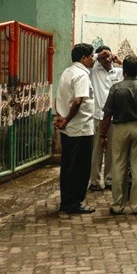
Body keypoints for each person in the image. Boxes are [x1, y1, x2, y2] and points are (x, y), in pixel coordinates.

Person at [98, 54, 137, 216]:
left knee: (118, 165)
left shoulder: (116, 88)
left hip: (119, 129)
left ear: (123, 71)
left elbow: (107, 115)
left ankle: (118, 204)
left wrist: (103, 135)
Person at [52, 43, 98, 214]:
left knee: (68, 165)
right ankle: (74, 202)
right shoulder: (81, 75)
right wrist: (67, 119)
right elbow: (78, 100)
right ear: (84, 58)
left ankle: (67, 201)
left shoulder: (67, 72)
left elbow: (61, 97)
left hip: (70, 127)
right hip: (80, 127)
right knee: (80, 166)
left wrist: (60, 117)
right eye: (91, 56)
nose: (93, 59)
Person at [89, 45, 122, 192]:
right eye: (103, 57)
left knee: (111, 150)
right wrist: (98, 55)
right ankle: (94, 181)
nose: (106, 59)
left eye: (108, 56)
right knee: (96, 151)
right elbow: (90, 60)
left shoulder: (118, 72)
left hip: (114, 117)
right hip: (98, 116)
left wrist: (118, 61)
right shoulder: (93, 71)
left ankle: (109, 179)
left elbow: (133, 72)